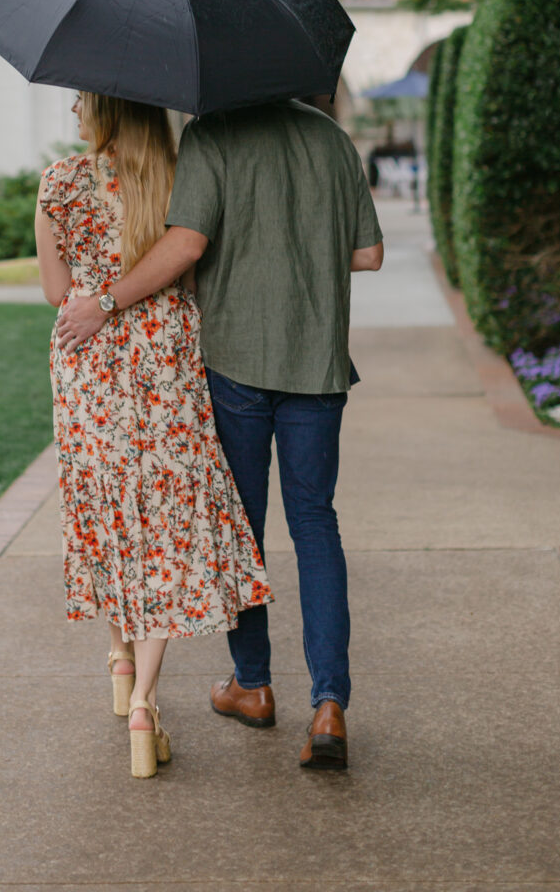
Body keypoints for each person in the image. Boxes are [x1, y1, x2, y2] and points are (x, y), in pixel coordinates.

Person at [57, 99, 384, 771]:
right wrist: (300, 249)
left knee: (244, 523)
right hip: (317, 360)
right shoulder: (331, 138)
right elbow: (368, 254)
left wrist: (107, 302)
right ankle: (329, 705)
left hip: (237, 360)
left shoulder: (214, 134)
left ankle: (253, 686)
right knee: (316, 523)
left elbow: (187, 244)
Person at [34, 91, 273, 780]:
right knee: (163, 521)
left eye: (81, 98)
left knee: (108, 507)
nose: (74, 110)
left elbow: (56, 290)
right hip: (165, 354)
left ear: (106, 108)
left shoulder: (59, 182)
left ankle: (119, 656)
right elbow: (191, 273)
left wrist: (97, 291)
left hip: (88, 360)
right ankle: (143, 700)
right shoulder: (180, 181)